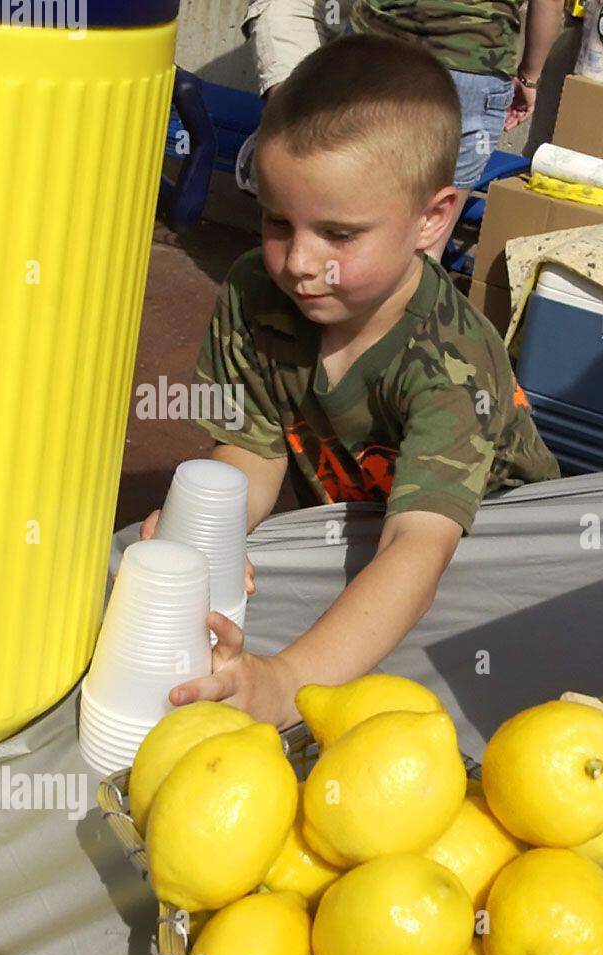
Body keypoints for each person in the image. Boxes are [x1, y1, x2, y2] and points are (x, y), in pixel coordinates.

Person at [140, 34, 559, 728]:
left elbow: (415, 548)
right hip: (363, 541)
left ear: (433, 219)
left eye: (338, 234)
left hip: (495, 567)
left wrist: (287, 682)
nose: (300, 261)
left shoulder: (452, 360)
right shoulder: (255, 295)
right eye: (278, 220)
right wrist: (207, 534)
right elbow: (253, 451)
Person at [240, 0, 566, 256]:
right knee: (425, 244)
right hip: (475, 69)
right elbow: (549, 4)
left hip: (378, 50)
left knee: (343, 219)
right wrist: (528, 77)